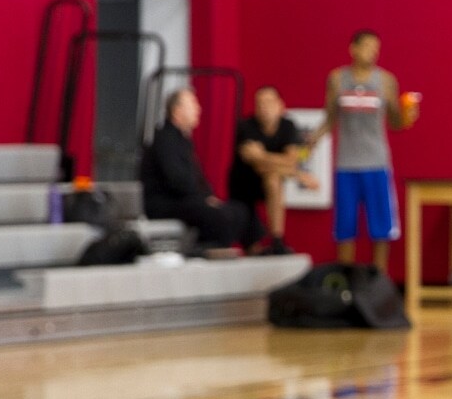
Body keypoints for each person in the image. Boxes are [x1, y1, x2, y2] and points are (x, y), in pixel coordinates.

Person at [305, 29, 417, 271]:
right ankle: (346, 280)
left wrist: (407, 116)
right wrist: (312, 139)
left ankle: (379, 279)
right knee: (345, 227)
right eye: (367, 46)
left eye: (376, 48)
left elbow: (395, 122)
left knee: (381, 227)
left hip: (376, 162)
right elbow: (330, 119)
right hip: (346, 163)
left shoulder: (386, 80)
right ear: (353, 49)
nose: (372, 52)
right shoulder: (337, 79)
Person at [141, 88, 273, 255]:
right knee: (217, 215)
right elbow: (177, 180)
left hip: (187, 199)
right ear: (177, 111)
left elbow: (197, 178)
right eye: (193, 105)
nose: (199, 109)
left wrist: (209, 196)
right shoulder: (165, 140)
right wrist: (203, 199)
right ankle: (212, 249)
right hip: (166, 203)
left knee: (241, 209)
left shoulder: (183, 140)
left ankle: (255, 249)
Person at [227, 85, 318, 249]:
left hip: (269, 184)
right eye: (259, 103)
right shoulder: (246, 127)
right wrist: (297, 173)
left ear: (280, 106)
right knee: (253, 248)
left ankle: (277, 239)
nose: (264, 107)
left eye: (268, 102)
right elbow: (257, 165)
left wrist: (263, 156)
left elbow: (291, 159)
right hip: (244, 188)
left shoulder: (288, 126)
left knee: (273, 178)